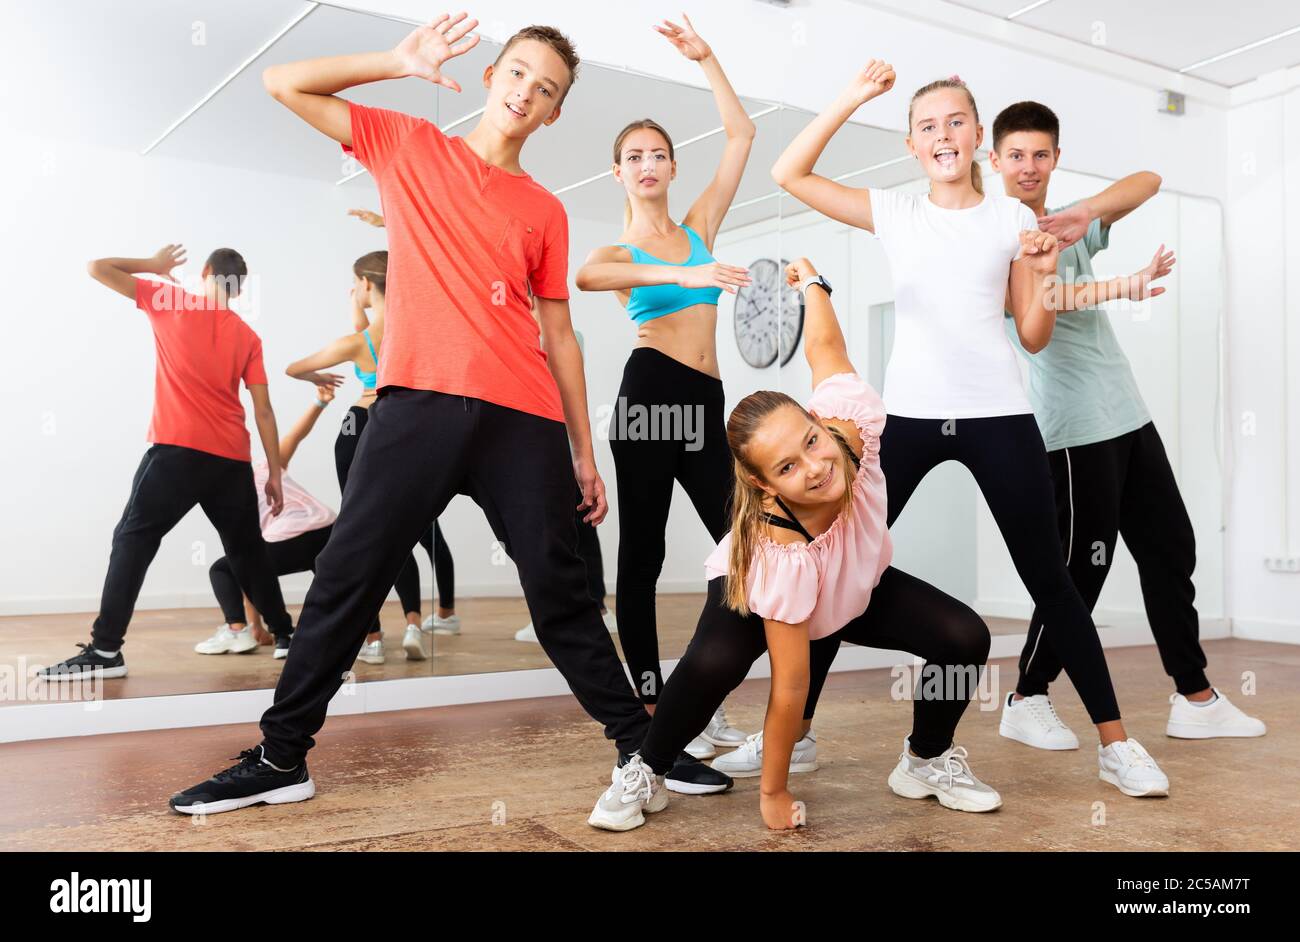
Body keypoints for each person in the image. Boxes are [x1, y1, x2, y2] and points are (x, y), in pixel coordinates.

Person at [170, 15, 724, 816]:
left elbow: (559, 335)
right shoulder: (410, 144)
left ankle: (641, 748)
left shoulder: (543, 208)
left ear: (554, 113)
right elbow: (282, 83)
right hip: (414, 407)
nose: (527, 93)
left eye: (547, 90)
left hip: (521, 419)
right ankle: (281, 756)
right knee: (345, 580)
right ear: (494, 74)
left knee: (561, 594)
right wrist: (394, 62)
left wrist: (581, 450)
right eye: (519, 74)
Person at [770, 63, 1169, 797]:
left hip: (998, 415)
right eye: (928, 125)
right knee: (836, 559)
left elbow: (1035, 332)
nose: (943, 134)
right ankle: (793, 736)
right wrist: (853, 95)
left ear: (978, 137)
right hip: (911, 418)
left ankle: (1116, 744)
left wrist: (1045, 272)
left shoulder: (1014, 220)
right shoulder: (894, 210)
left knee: (1052, 580)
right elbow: (789, 171)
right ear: (912, 145)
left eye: (956, 121)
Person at [589, 257, 998, 831]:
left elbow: (826, 348)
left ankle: (925, 759)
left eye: (810, 441)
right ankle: (646, 769)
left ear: (818, 420)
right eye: (787, 466)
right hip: (766, 587)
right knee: (714, 664)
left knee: (963, 636)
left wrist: (813, 285)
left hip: (851, 581)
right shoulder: (779, 547)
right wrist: (773, 794)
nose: (815, 467)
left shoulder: (851, 429)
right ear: (762, 485)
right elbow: (790, 688)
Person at [988, 100, 1265, 745]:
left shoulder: (1070, 223)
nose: (1028, 166)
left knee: (1171, 547)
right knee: (1082, 569)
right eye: (1015, 155)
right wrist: (1125, 285)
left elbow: (1149, 180)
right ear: (995, 160)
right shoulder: (997, 238)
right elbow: (1044, 308)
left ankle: (1194, 697)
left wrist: (1088, 214)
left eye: (1040, 153)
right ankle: (1025, 696)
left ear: (1056, 158)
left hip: (1127, 414)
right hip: (1075, 427)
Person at [574, 14, 754, 759]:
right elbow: (589, 277)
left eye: (657, 154)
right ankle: (648, 712)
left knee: (742, 551)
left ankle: (696, 700)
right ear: (618, 173)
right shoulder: (621, 247)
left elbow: (741, 136)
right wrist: (682, 275)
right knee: (640, 558)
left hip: (706, 403)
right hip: (650, 396)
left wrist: (708, 57)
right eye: (632, 157)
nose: (647, 164)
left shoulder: (701, 223)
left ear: (673, 168)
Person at [41, 245, 294, 681]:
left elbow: (97, 267)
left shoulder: (171, 300)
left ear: (206, 272)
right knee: (247, 550)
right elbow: (264, 410)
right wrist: (274, 473)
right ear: (239, 287)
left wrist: (155, 267)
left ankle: (105, 651)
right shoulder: (248, 337)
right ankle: (287, 636)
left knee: (133, 540)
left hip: (178, 450)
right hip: (231, 458)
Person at [285, 249, 456, 663]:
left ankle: (373, 639)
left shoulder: (356, 343)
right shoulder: (415, 330)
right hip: (404, 432)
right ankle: (415, 623)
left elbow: (294, 368)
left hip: (359, 427)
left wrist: (318, 377)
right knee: (401, 532)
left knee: (358, 533)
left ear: (365, 285)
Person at [198, 385, 339, 660]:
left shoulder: (226, 490)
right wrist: (320, 402)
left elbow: (243, 559)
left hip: (289, 539)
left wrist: (254, 626)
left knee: (224, 569)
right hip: (329, 529)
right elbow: (295, 435)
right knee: (255, 563)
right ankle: (370, 638)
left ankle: (240, 630)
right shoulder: (267, 466)